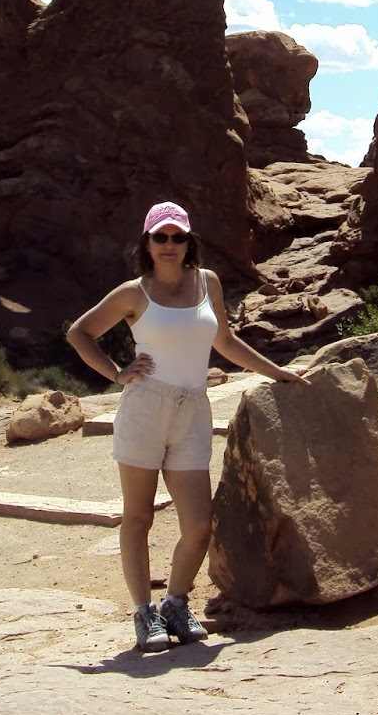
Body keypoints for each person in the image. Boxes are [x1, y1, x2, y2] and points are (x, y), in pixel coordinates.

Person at [67, 200, 308, 653]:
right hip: (146, 409)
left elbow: (226, 341)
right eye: (161, 237)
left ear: (189, 241)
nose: (170, 245)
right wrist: (118, 373)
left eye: (178, 237)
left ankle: (175, 603)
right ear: (147, 242)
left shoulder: (207, 283)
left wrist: (276, 372)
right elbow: (80, 333)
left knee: (199, 524)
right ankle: (143, 613)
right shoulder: (132, 293)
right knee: (137, 517)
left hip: (192, 410)